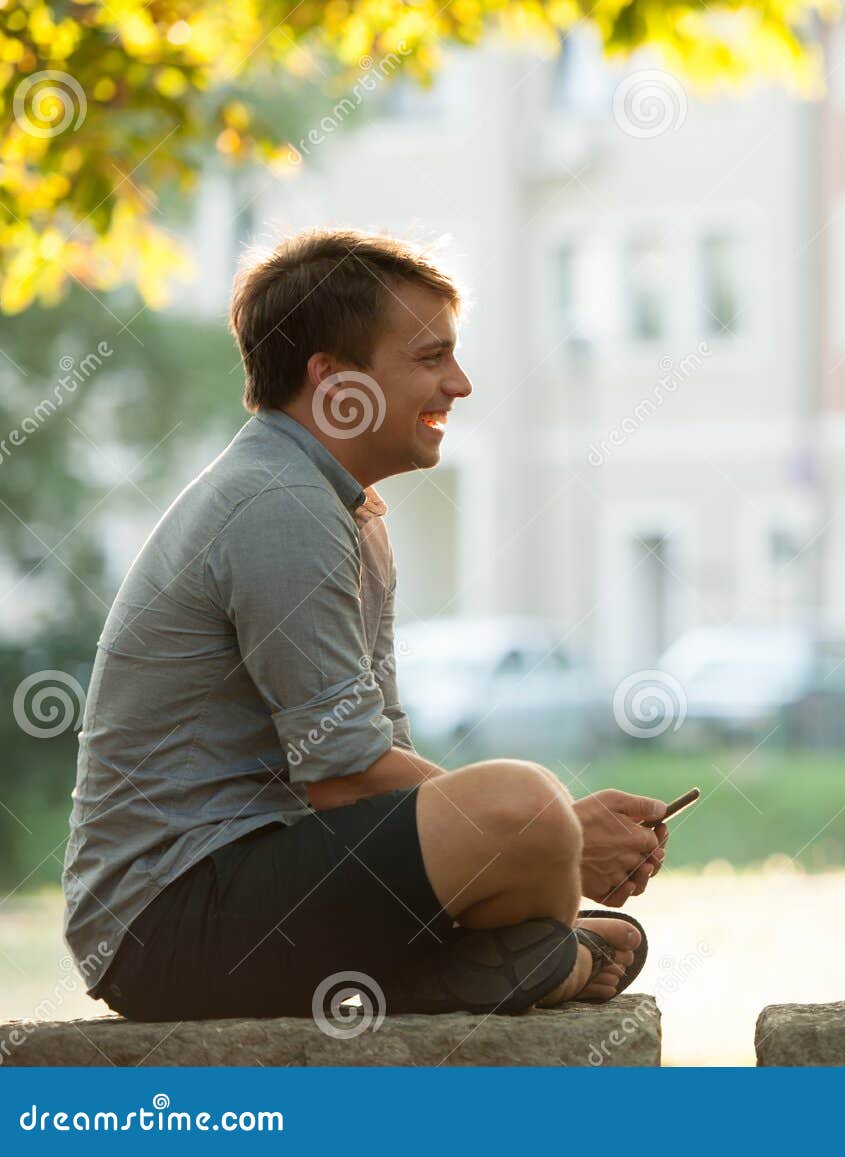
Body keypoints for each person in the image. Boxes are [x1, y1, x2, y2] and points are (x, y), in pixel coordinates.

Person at [62, 229, 669, 1021]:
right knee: (524, 802)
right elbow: (345, 778)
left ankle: (468, 963)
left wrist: (546, 838)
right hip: (168, 924)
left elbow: (378, 765)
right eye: (430, 357)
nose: (461, 383)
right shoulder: (278, 504)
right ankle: (447, 968)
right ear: (335, 381)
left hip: (248, 890)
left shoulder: (343, 509)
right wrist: (556, 832)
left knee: (526, 814)